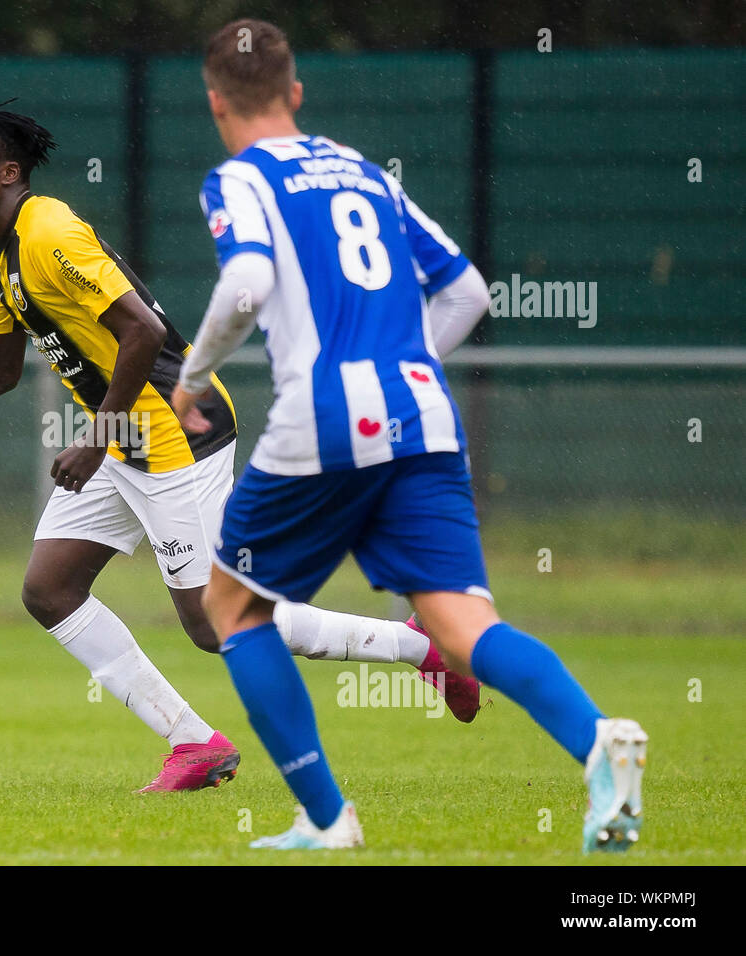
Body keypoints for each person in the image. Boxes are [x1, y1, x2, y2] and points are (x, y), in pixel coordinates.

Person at [0, 104, 477, 794]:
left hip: (173, 436)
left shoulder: (48, 230)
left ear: (8, 173)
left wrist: (98, 437)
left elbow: (140, 331)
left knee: (211, 621)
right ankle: (195, 743)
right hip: (122, 438)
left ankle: (422, 646)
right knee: (50, 591)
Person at [171, 19, 647, 851]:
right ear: (296, 92)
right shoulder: (364, 173)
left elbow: (246, 280)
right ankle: (598, 741)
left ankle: (327, 819)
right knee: (461, 627)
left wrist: (190, 378)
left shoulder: (239, 179)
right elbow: (467, 291)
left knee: (231, 608)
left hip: (325, 416)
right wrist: (400, 363)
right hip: (424, 410)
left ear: (214, 102)